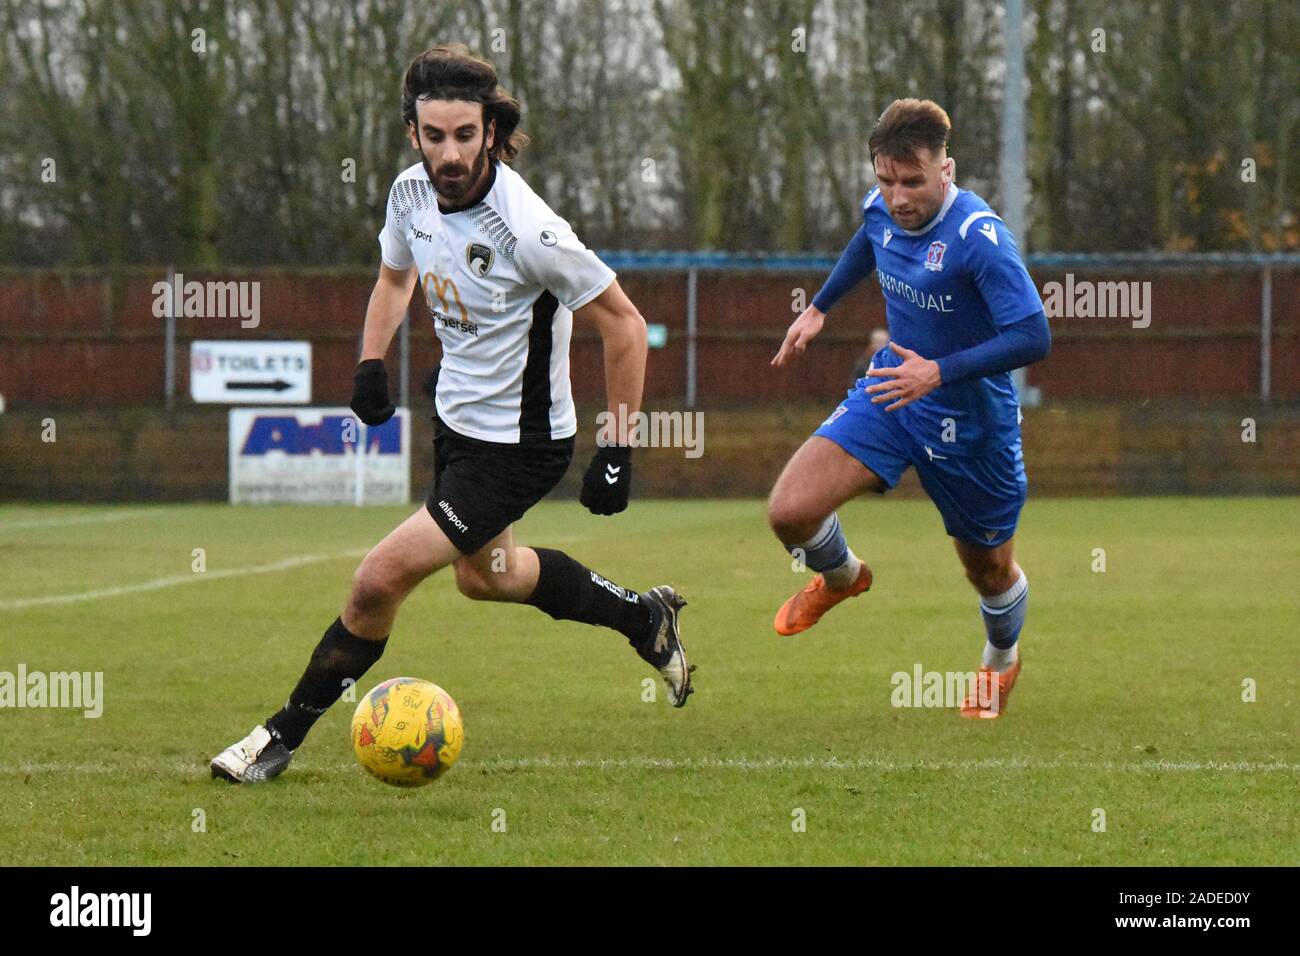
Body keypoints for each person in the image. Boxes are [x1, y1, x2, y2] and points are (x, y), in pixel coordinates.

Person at [212, 45, 693, 783]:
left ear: (491, 132)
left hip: (522, 446)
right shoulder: (408, 195)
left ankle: (277, 738)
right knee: (489, 576)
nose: (450, 152)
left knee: (378, 580)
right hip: (459, 429)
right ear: (413, 132)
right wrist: (370, 363)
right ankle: (642, 617)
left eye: (465, 135)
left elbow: (624, 325)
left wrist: (619, 445)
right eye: (434, 135)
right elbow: (393, 278)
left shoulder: (529, 230)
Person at [769, 98, 1050, 719]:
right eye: (885, 180)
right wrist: (820, 306)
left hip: (974, 427)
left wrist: (941, 371)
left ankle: (1000, 662)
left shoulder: (981, 240)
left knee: (990, 571)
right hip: (892, 397)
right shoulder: (883, 207)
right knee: (790, 511)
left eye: (912, 181)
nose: (897, 197)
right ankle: (844, 576)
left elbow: (1035, 336)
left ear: (946, 169)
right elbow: (871, 239)